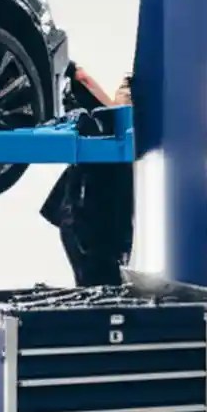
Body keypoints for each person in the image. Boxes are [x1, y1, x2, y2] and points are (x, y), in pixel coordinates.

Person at [40, 65, 134, 287]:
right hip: (87, 223)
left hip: (88, 223)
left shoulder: (113, 127)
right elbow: (82, 79)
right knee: (99, 284)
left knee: (98, 284)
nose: (125, 91)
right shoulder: (107, 123)